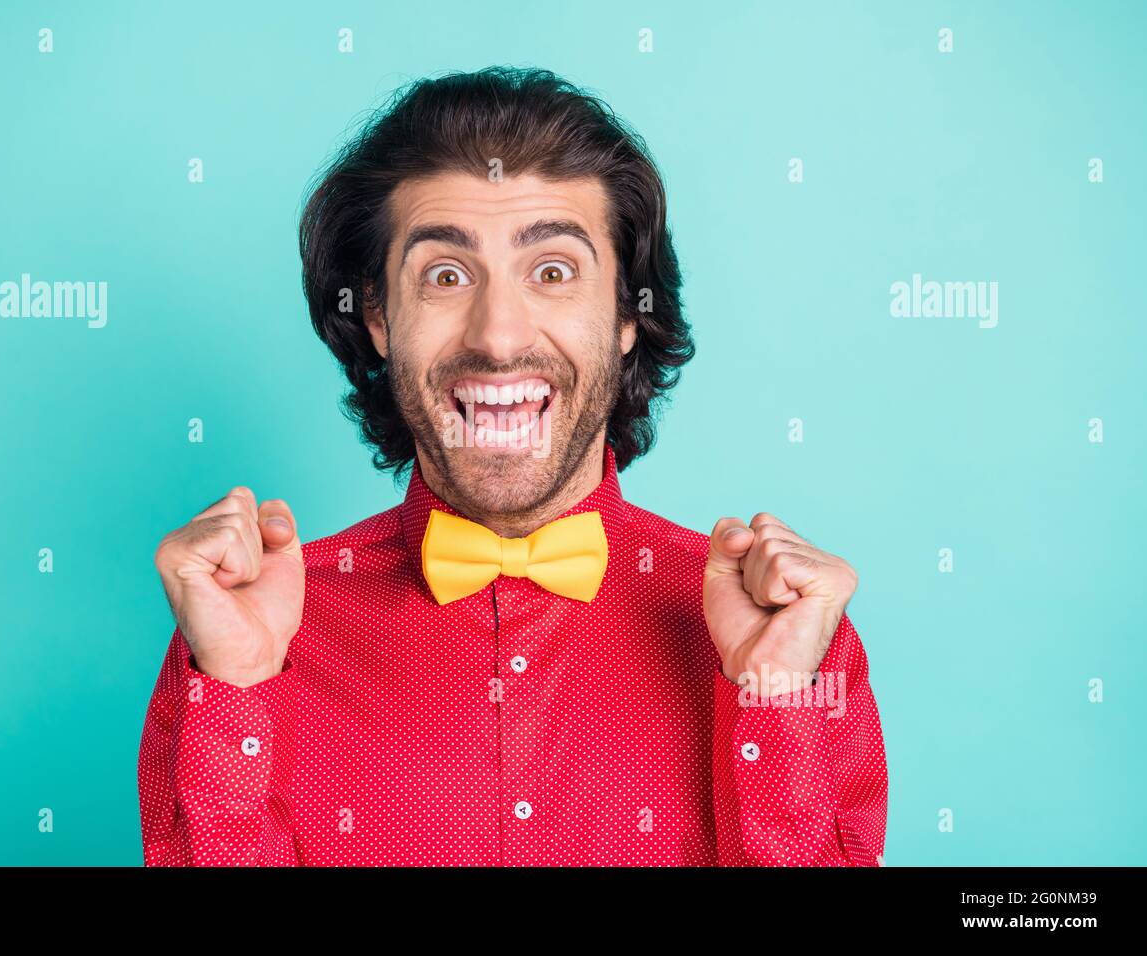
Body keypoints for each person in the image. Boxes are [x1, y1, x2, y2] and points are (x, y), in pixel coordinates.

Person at [138, 66, 888, 866]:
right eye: (446, 276)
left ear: (627, 317)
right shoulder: (243, 646)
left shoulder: (790, 640)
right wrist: (239, 687)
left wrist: (773, 700)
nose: (498, 335)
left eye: (554, 272)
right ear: (382, 318)